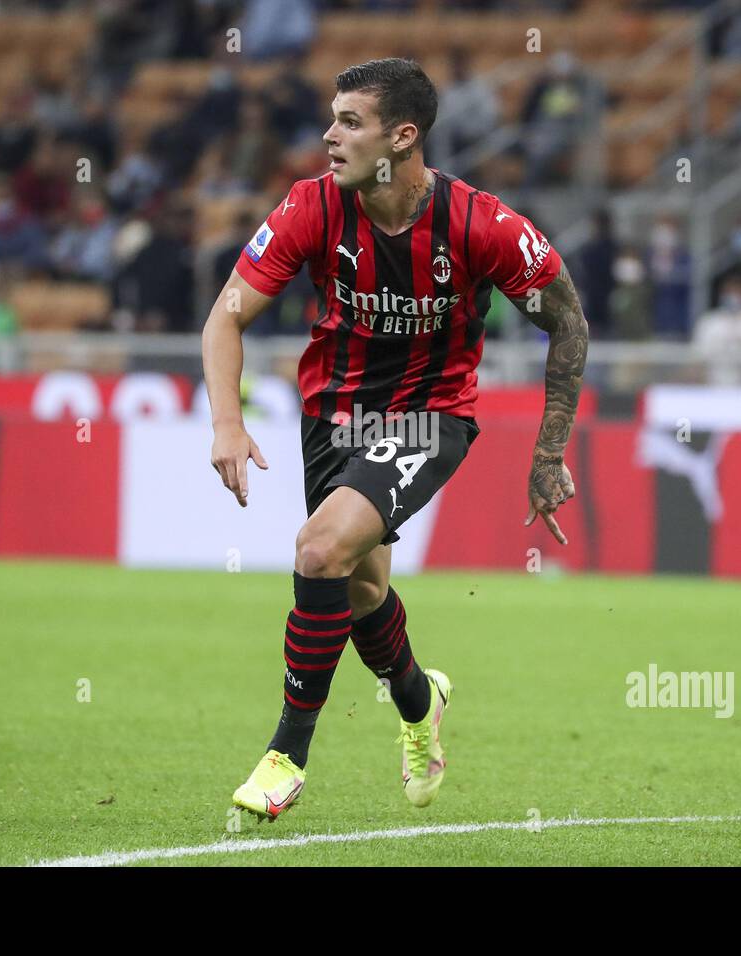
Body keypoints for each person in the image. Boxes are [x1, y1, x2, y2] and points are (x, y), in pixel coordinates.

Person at [201, 58, 588, 821]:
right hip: (333, 417)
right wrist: (226, 422)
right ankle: (420, 704)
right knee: (360, 587)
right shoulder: (311, 206)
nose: (329, 136)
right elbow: (227, 315)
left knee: (318, 550)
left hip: (428, 413)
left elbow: (567, 321)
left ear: (402, 136)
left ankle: (286, 756)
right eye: (332, 118)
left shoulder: (483, 226)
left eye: (350, 122)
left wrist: (548, 455)